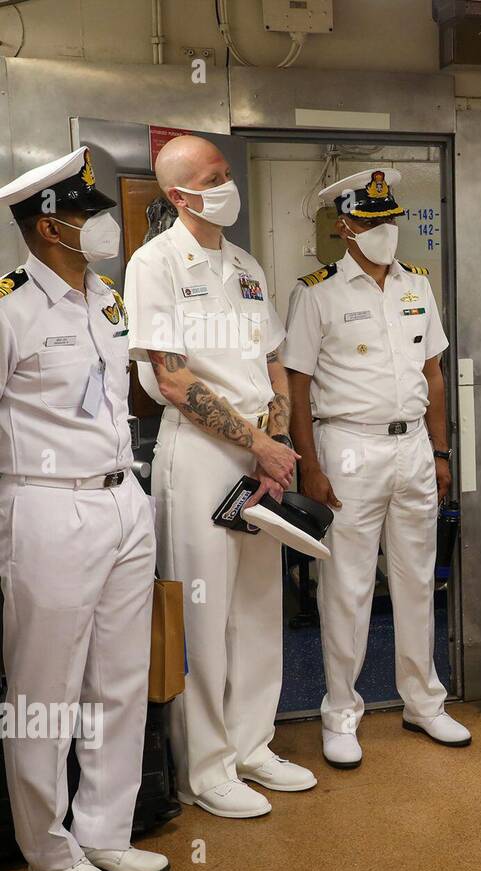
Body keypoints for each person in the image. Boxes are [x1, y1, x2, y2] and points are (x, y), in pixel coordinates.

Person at [125, 135, 316, 820]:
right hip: (203, 455)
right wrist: (257, 442)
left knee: (261, 607)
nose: (227, 184)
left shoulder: (244, 264)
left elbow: (271, 361)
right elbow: (172, 380)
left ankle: (252, 743)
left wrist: (279, 442)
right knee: (204, 615)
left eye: (227, 172)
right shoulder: (154, 264)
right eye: (213, 177)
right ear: (180, 195)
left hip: (260, 451)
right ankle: (205, 768)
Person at [0, 148, 168, 871]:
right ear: (49, 224)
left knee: (120, 679)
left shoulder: (107, 298)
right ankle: (48, 849)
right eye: (89, 215)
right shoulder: (7, 304)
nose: (103, 227)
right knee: (46, 689)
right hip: (46, 503)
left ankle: (106, 830)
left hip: (122, 496)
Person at [282, 167, 469, 768]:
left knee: (418, 579)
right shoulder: (316, 293)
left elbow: (432, 375)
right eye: (370, 222)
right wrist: (310, 466)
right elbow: (297, 385)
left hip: (413, 447)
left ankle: (424, 703)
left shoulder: (417, 285)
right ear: (345, 228)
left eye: (389, 221)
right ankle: (340, 712)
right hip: (348, 449)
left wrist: (441, 454)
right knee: (348, 585)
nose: (384, 232)